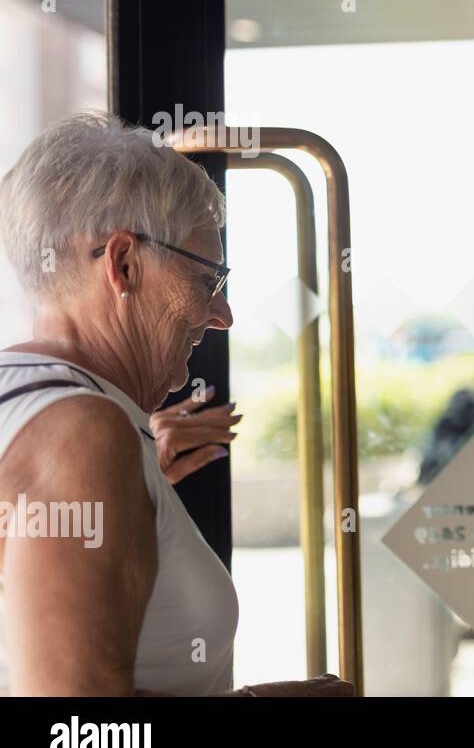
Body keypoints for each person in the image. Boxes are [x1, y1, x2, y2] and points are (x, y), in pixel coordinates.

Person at [0, 112, 350, 696]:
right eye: (208, 278)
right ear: (124, 264)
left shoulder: (56, 414)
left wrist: (132, 488)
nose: (223, 315)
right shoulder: (80, 436)